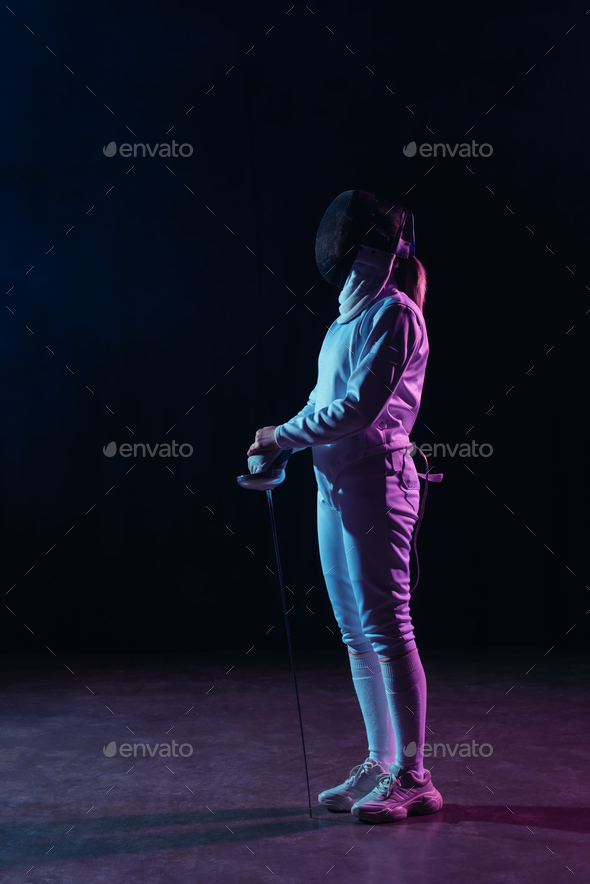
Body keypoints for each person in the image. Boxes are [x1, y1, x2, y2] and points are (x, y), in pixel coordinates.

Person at [246, 226, 442, 824]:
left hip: (379, 485)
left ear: (371, 252)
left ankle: (414, 776)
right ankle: (381, 761)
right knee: (356, 633)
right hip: (334, 487)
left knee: (388, 627)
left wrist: (282, 436)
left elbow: (359, 409)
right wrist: (276, 443)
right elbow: (319, 401)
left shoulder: (397, 315)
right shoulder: (343, 323)